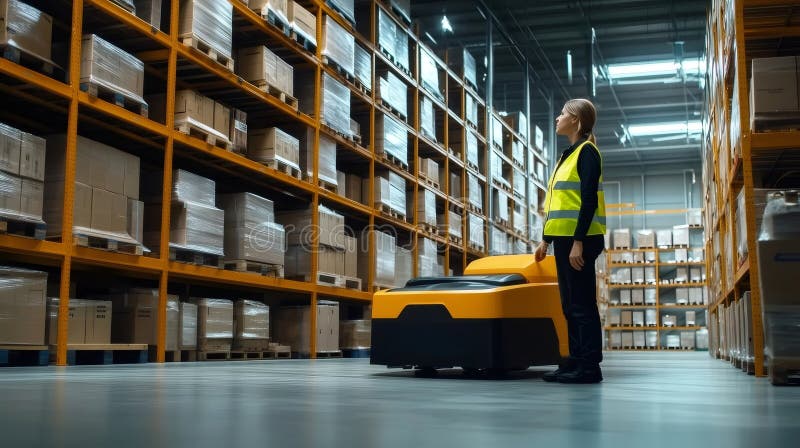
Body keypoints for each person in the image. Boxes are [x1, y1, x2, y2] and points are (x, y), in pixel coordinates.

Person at [534, 98, 606, 384]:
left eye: (563, 113)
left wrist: (578, 242)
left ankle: (589, 366)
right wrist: (545, 240)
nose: (558, 118)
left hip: (582, 239)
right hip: (564, 239)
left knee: (582, 304)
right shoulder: (568, 154)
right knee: (569, 305)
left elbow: (587, 200)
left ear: (575, 120)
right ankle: (575, 360)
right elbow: (560, 202)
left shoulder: (588, 153)